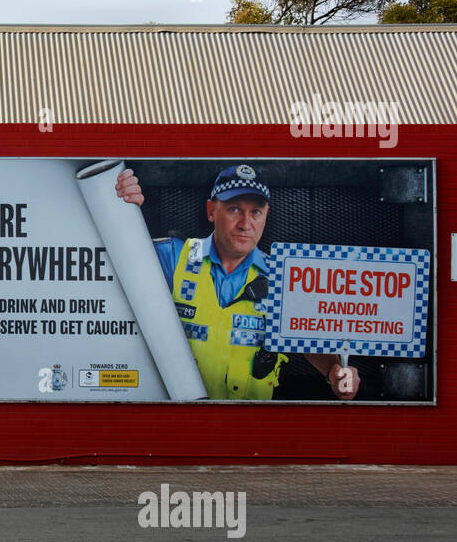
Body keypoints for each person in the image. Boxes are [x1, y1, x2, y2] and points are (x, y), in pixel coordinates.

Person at [114, 163, 360, 401]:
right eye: (234, 209)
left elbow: (308, 342)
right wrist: (123, 205)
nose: (245, 224)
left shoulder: (281, 278)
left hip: (248, 426)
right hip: (180, 421)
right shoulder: (175, 257)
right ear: (211, 211)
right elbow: (115, 255)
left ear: (266, 216)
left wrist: (336, 374)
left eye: (255, 212)